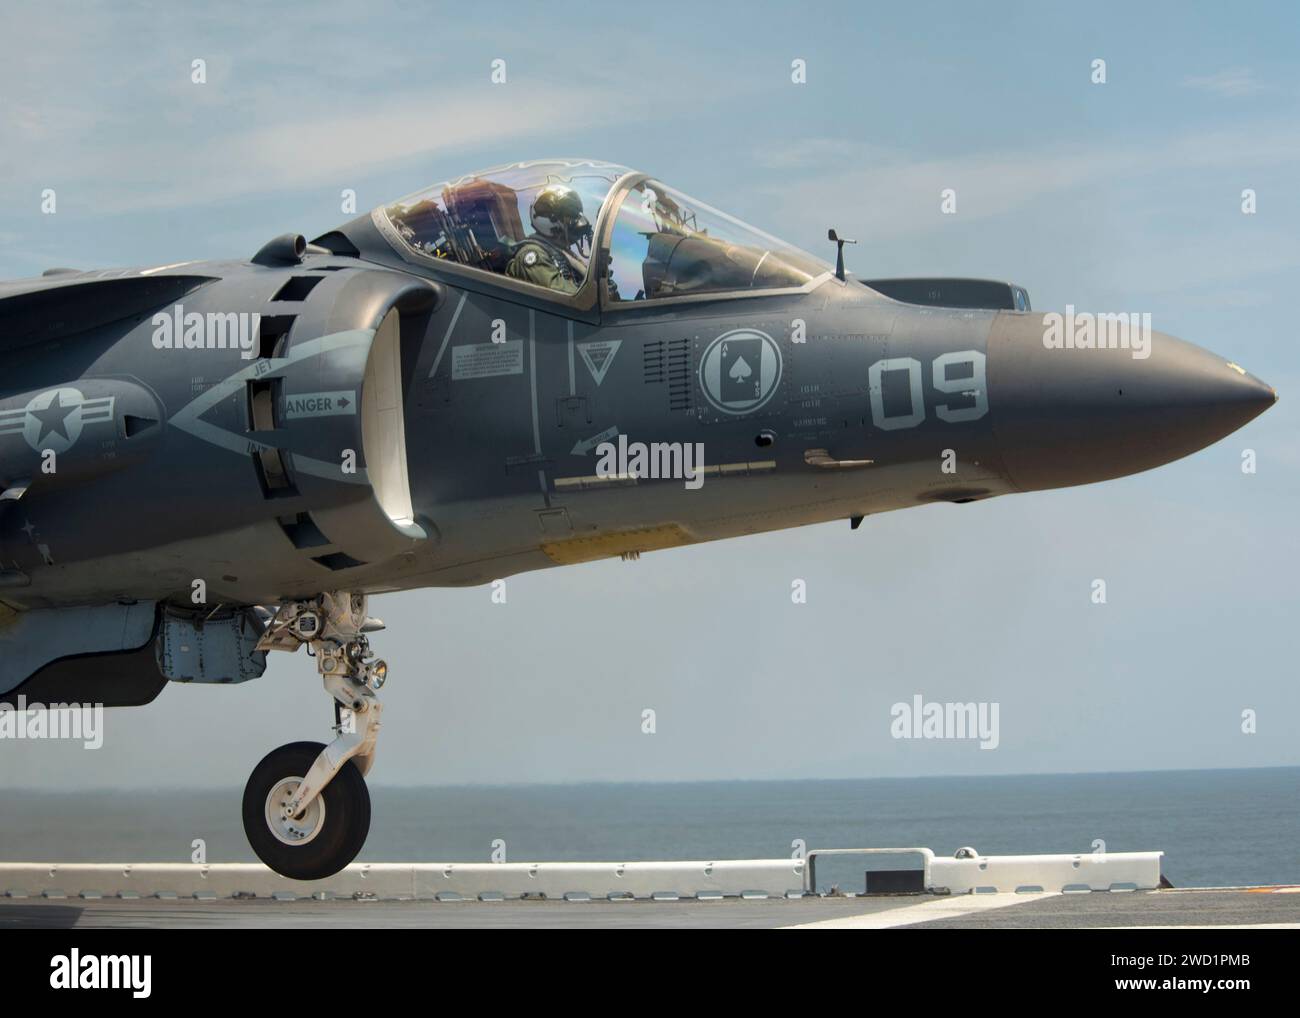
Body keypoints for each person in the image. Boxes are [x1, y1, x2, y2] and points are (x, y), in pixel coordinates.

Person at [506, 184, 592, 294]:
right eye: (568, 217)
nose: (574, 222)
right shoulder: (534, 254)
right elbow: (569, 298)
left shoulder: (561, 253)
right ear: (549, 219)